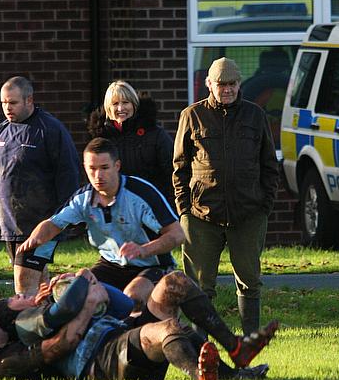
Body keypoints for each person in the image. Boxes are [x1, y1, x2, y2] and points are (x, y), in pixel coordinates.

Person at [0, 268, 278, 380]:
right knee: (165, 329)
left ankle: (237, 350)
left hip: (114, 331)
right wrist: (90, 303)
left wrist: (68, 290)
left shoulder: (23, 328)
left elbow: (58, 316)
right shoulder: (4, 361)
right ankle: (204, 378)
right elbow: (62, 346)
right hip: (104, 358)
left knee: (174, 283)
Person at [172, 57, 279, 335]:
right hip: (200, 216)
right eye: (221, 84)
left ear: (239, 84)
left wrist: (264, 205)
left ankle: (249, 340)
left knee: (249, 280)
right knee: (198, 285)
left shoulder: (256, 116)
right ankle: (200, 344)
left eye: (232, 84)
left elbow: (269, 164)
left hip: (248, 214)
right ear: (209, 84)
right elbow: (179, 167)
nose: (227, 89)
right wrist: (184, 209)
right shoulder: (192, 116)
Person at [17, 137, 184, 306]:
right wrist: (35, 239)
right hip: (110, 265)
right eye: (92, 169)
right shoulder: (83, 199)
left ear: (117, 166)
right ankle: (29, 313)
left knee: (132, 297)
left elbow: (177, 235)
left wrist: (143, 249)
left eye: (104, 168)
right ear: (85, 168)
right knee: (71, 294)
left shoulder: (141, 193)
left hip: (152, 266)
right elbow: (52, 225)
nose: (98, 175)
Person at [0, 76, 80, 296]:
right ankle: (51, 323)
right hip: (11, 223)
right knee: (39, 284)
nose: (7, 108)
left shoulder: (49, 129)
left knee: (23, 285)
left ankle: (21, 326)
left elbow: (68, 173)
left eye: (13, 102)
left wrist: (65, 216)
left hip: (42, 223)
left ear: (29, 100)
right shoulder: (2, 131)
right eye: (3, 103)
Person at [87, 80, 174, 201]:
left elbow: (172, 172)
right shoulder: (102, 139)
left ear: (134, 104)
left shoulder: (155, 134)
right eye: (115, 103)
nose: (120, 108)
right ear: (108, 108)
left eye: (125, 102)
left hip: (152, 205)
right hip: (116, 206)